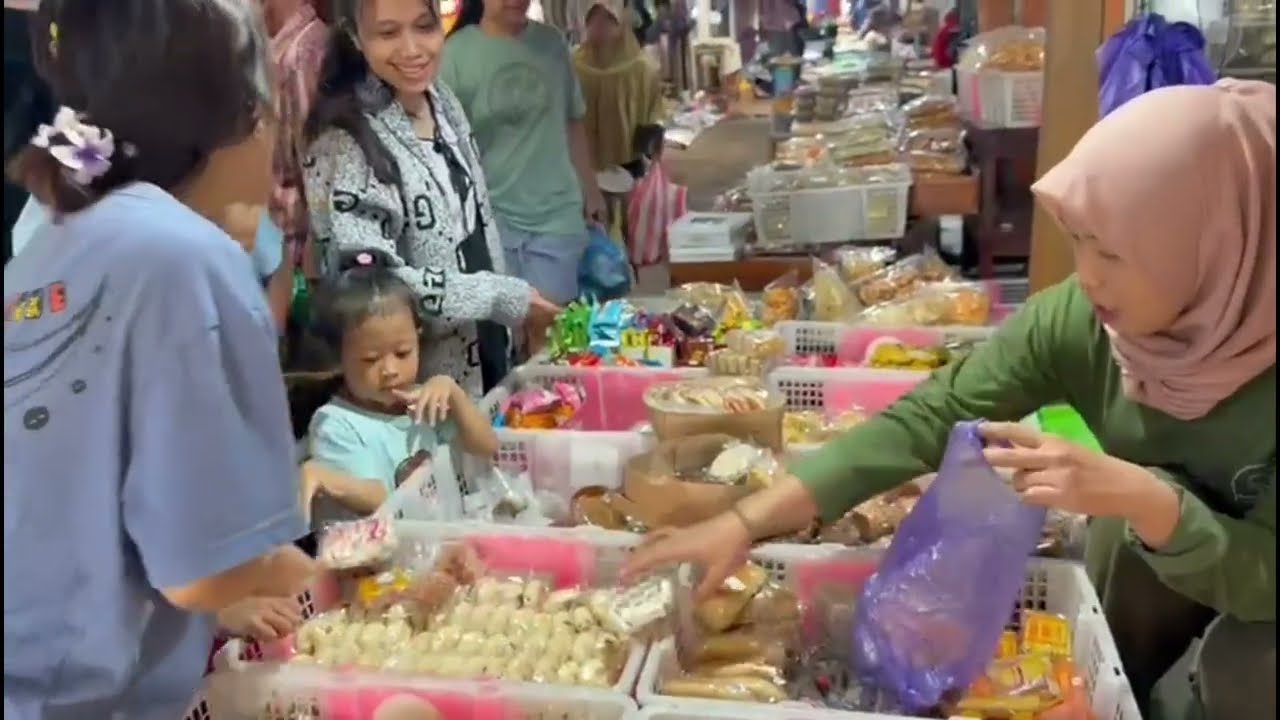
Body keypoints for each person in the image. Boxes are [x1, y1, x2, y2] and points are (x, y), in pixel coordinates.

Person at [624, 80, 1276, 720]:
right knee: (1122, 540)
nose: (1088, 274)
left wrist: (1148, 501)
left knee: (1247, 669)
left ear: (1215, 245)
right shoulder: (1085, 321)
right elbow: (931, 416)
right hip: (1168, 556)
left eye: (1113, 251)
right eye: (1078, 240)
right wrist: (743, 523)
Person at [3, 1, 316, 718]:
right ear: (240, 119)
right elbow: (203, 572)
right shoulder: (183, 257)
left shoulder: (56, 238)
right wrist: (332, 578)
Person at [304, 0, 559, 397]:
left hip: (487, 360)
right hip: (418, 394)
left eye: (424, 27)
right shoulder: (346, 140)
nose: (412, 50)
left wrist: (508, 314)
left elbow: (474, 225)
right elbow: (371, 283)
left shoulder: (441, 101)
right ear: (355, 36)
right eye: (388, 33)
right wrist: (496, 296)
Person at [301, 249, 500, 524]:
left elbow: (486, 447)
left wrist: (453, 393)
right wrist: (321, 476)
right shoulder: (337, 424)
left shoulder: (422, 403)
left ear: (419, 339)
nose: (390, 370)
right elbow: (381, 498)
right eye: (370, 359)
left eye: (403, 353)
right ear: (339, 357)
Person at [441, 0, 607, 305]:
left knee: (552, 331)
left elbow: (572, 121)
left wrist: (591, 188)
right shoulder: (454, 55)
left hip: (557, 213)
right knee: (508, 334)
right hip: (492, 216)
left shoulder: (551, 44)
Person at [263, 0, 329, 288]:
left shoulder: (305, 50)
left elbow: (315, 158)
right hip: (268, 226)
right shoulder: (269, 43)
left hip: (292, 238)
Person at [573, 0, 662, 178]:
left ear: (620, 24)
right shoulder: (574, 65)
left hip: (629, 161)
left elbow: (653, 114)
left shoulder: (642, 68)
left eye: (607, 21)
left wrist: (653, 153)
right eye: (594, 21)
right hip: (584, 163)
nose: (599, 27)